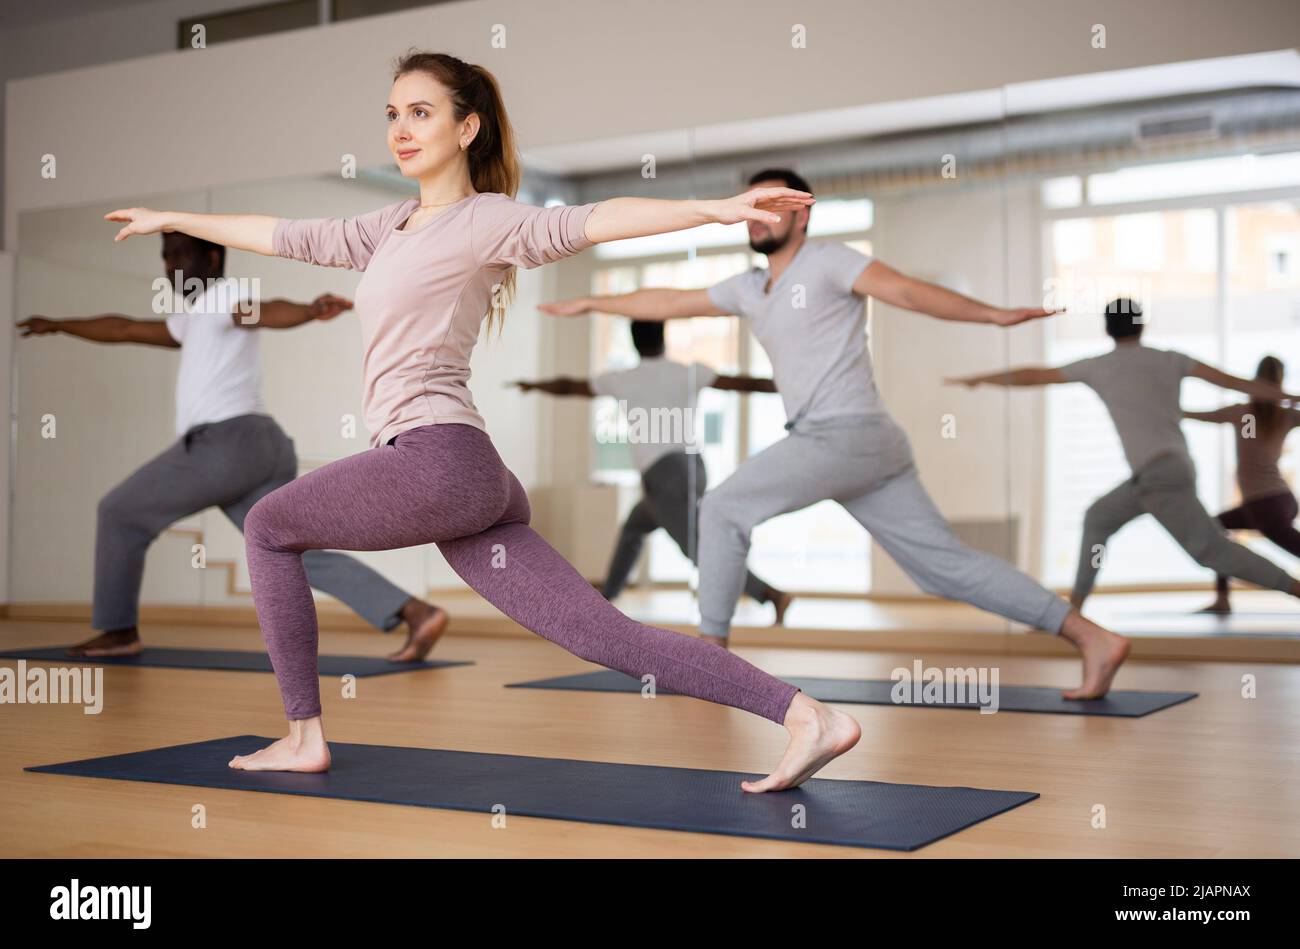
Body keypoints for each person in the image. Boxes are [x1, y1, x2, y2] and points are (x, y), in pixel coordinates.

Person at [105, 51, 858, 792]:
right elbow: (282, 232)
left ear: (467, 129)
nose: (401, 129)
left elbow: (592, 221)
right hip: (473, 477)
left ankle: (304, 735)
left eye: (422, 113)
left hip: (437, 459)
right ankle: (803, 713)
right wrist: (172, 214)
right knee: (601, 633)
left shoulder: (485, 221)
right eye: (393, 114)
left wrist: (713, 210)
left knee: (268, 525)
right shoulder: (390, 225)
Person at [543, 167, 1132, 701]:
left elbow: (903, 289)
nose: (759, 216)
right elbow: (669, 301)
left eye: (774, 206)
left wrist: (993, 315)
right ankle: (1094, 638)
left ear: (802, 214)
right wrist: (594, 301)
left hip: (842, 436)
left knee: (720, 509)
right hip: (865, 448)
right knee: (941, 567)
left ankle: (712, 665)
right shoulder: (750, 288)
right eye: (752, 205)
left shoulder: (826, 261)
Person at [17, 232, 448, 661]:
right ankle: (415, 612)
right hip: (261, 448)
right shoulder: (193, 315)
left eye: (180, 254)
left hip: (225, 444)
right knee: (287, 546)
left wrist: (308, 311)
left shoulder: (226, 296)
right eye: (165, 257)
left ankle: (118, 630)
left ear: (212, 256)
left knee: (120, 513)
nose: (170, 265)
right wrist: (58, 324)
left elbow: (261, 313)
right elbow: (124, 328)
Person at [950, 299, 1300, 611]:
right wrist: (1288, 397)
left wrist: (982, 378)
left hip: (1161, 477)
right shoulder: (1170, 360)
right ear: (1141, 325)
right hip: (1158, 475)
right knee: (1098, 518)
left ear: (1107, 329)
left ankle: (1295, 588)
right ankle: (1074, 612)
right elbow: (1236, 383)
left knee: (1211, 551)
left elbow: (1035, 376)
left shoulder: (1098, 365)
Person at [512, 319, 791, 619]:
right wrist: (792, 387)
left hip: (663, 475)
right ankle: (607, 596)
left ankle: (769, 594)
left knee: (696, 547)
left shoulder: (623, 379)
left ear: (634, 342)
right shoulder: (686, 372)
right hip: (692, 467)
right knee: (634, 526)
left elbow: (570, 386)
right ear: (664, 339)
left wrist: (533, 386)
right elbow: (744, 384)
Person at [1183, 355, 1300, 613]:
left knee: (1216, 531)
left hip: (1266, 505)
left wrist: (1175, 412)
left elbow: (1202, 416)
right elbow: (1202, 416)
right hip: (1276, 502)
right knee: (1215, 528)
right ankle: (1222, 600)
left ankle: (1223, 599)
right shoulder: (1281, 416)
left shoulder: (1246, 413)